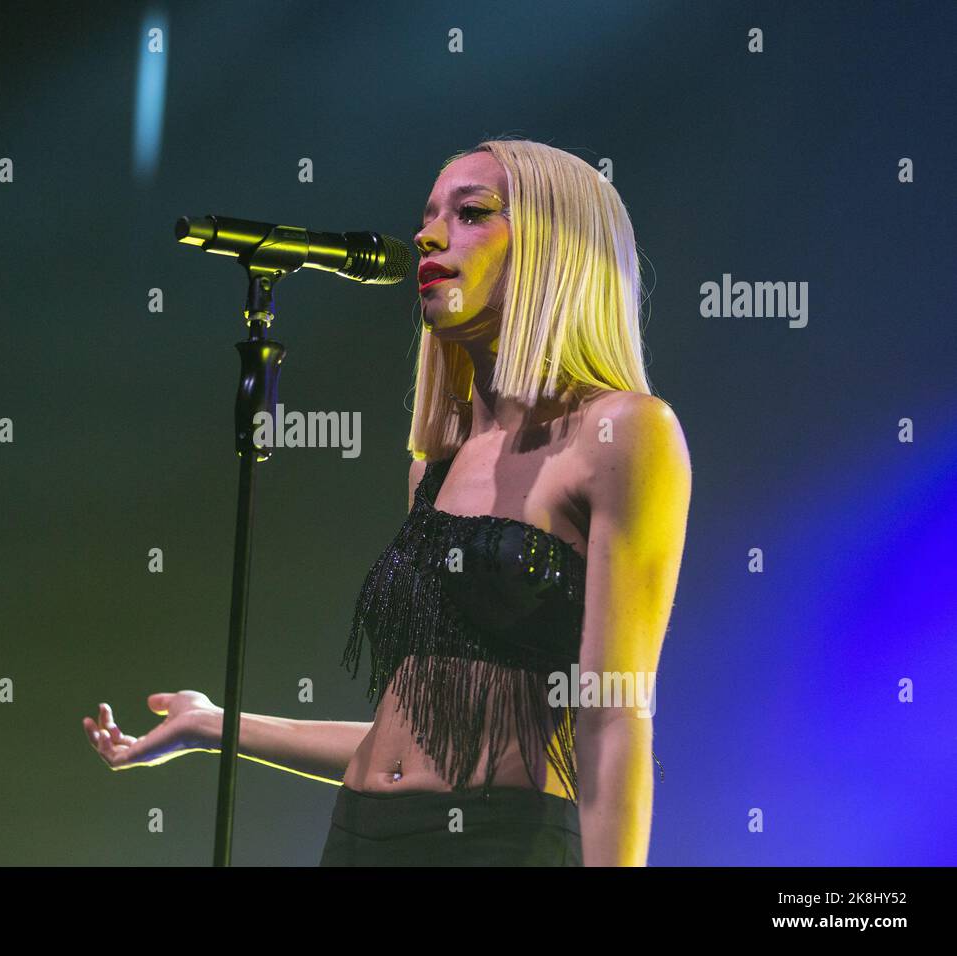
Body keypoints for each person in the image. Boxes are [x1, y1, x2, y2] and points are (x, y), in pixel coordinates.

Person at [83, 137, 692, 866]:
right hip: (361, 838)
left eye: (471, 213)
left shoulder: (624, 432)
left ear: (557, 247)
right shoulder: (438, 461)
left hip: (502, 844)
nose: (430, 235)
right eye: (429, 216)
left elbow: (615, 716)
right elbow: (405, 739)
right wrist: (216, 726)